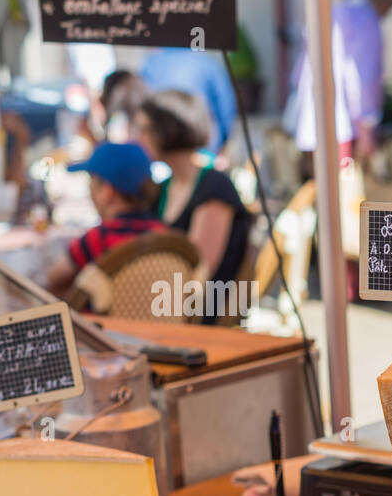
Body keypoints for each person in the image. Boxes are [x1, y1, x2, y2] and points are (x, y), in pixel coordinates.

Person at [133, 91, 252, 310]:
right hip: (164, 301)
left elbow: (197, 276)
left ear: (167, 129)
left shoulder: (214, 187)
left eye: (144, 129)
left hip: (196, 310)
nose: (138, 139)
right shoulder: (163, 187)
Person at [46, 142, 168, 300]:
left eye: (91, 183)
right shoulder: (164, 234)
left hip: (102, 317)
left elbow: (54, 279)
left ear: (106, 192)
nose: (89, 191)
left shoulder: (97, 238)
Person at [291, 0, 392, 164]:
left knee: (319, 175)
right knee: (346, 177)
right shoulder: (366, 20)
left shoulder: (334, 12)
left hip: (312, 119)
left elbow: (299, 73)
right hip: (344, 123)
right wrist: (367, 122)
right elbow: (363, 74)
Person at [139, 49, 239, 156]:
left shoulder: (152, 62)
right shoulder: (207, 63)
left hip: (161, 141)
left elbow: (142, 101)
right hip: (199, 142)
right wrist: (222, 142)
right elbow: (225, 108)